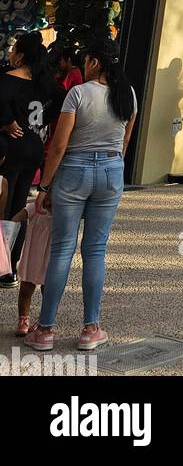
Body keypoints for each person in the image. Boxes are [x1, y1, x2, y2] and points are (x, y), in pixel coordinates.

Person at [25, 39, 137, 354]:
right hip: (112, 171)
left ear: (96, 62)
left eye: (86, 60)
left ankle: (45, 329)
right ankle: (91, 328)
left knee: (62, 250)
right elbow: (125, 140)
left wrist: (44, 186)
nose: (83, 65)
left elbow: (59, 146)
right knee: (95, 251)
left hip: (74, 171)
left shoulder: (78, 94)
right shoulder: (127, 94)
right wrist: (112, 167)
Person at [0, 31, 55, 283]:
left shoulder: (7, 80)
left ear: (21, 55)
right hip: (34, 147)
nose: (10, 54)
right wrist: (43, 119)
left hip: (9, 149)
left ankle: (1, 266)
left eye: (13, 50)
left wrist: (7, 122)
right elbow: (62, 99)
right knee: (19, 208)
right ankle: (10, 265)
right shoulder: (45, 83)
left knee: (3, 205)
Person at [9, 191, 51, 337]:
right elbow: (19, 216)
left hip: (50, 261)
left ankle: (46, 320)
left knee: (49, 292)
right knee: (26, 290)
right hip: (31, 259)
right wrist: (7, 229)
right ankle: (23, 320)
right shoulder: (36, 208)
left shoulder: (62, 214)